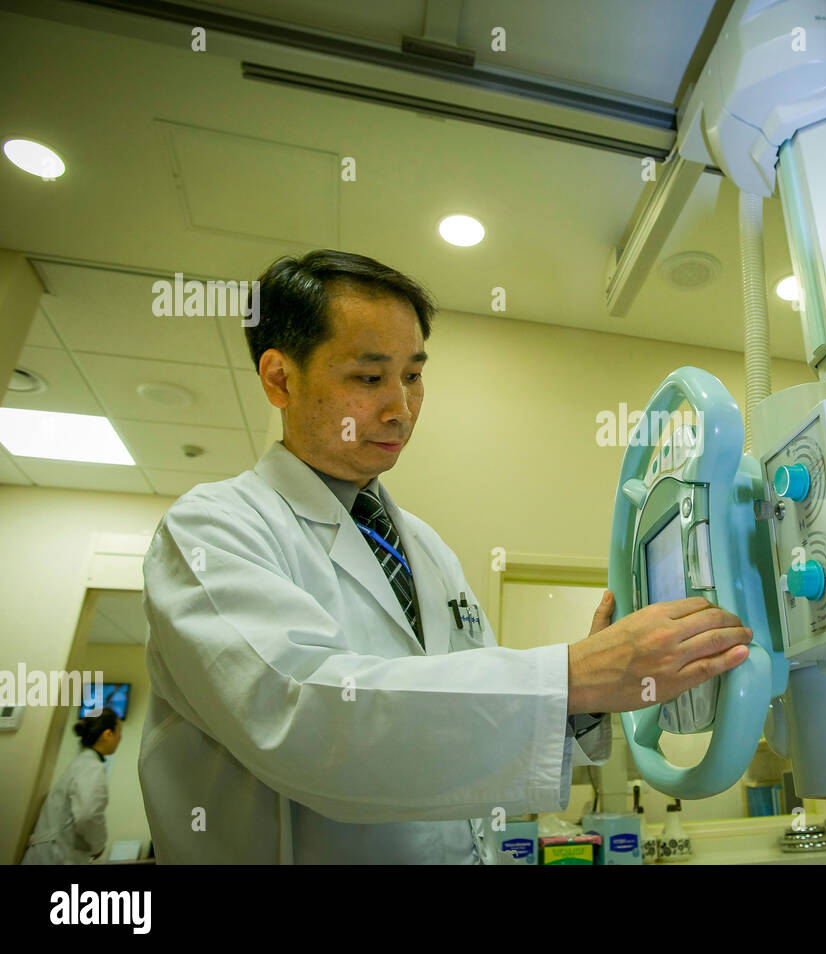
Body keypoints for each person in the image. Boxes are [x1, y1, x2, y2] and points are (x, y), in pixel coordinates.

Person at [138, 249, 751, 863]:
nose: (401, 408)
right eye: (369, 377)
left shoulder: (424, 548)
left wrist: (591, 690)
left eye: (413, 376)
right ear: (280, 378)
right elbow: (304, 719)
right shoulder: (212, 530)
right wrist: (571, 675)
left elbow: (462, 720)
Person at [22, 710, 119, 864]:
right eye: (119, 732)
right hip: (56, 856)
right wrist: (98, 845)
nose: (120, 738)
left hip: (49, 852)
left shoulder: (81, 763)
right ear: (108, 734)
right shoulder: (91, 767)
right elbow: (88, 815)